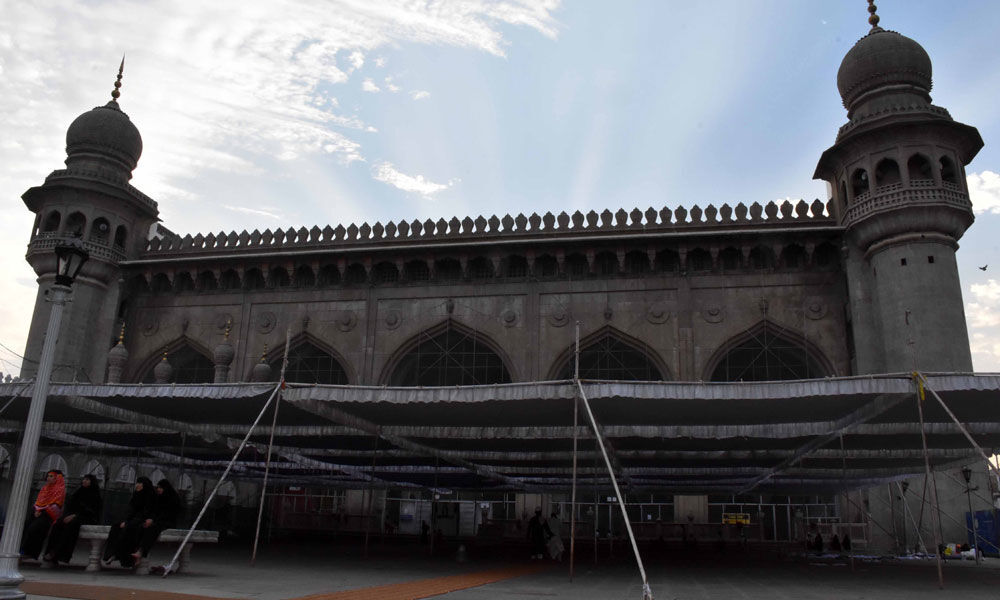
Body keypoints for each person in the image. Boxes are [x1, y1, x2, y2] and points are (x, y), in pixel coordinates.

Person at [44, 474, 102, 564]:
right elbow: (71, 505)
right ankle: (50, 552)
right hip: (72, 515)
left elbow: (92, 511)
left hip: (86, 517)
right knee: (58, 524)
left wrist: (75, 515)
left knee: (71, 525)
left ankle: (57, 552)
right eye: (84, 479)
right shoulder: (79, 491)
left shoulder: (95, 494)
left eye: (87, 480)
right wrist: (67, 515)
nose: (84, 481)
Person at [103, 477, 154, 567]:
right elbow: (130, 511)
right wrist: (125, 520)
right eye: (137, 483)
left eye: (140, 483)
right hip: (132, 519)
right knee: (116, 527)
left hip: (140, 520)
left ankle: (124, 557)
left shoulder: (150, 497)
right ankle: (111, 554)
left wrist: (128, 522)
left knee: (130, 528)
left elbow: (146, 512)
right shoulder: (136, 495)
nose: (137, 485)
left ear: (144, 485)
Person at [129, 479, 182, 567]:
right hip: (157, 520)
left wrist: (154, 520)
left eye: (161, 488)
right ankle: (136, 551)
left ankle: (141, 551)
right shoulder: (159, 498)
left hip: (167, 522)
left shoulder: (173, 498)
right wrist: (150, 519)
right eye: (158, 487)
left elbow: (169, 514)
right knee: (142, 526)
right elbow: (154, 511)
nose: (158, 489)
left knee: (152, 528)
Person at [20, 470, 66, 559]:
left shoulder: (60, 490)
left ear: (57, 478)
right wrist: (36, 510)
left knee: (35, 528)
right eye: (48, 476)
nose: (48, 478)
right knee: (26, 525)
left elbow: (56, 505)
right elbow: (38, 501)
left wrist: (42, 511)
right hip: (38, 512)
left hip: (48, 515)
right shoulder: (45, 488)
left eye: (51, 476)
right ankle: (22, 550)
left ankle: (30, 553)